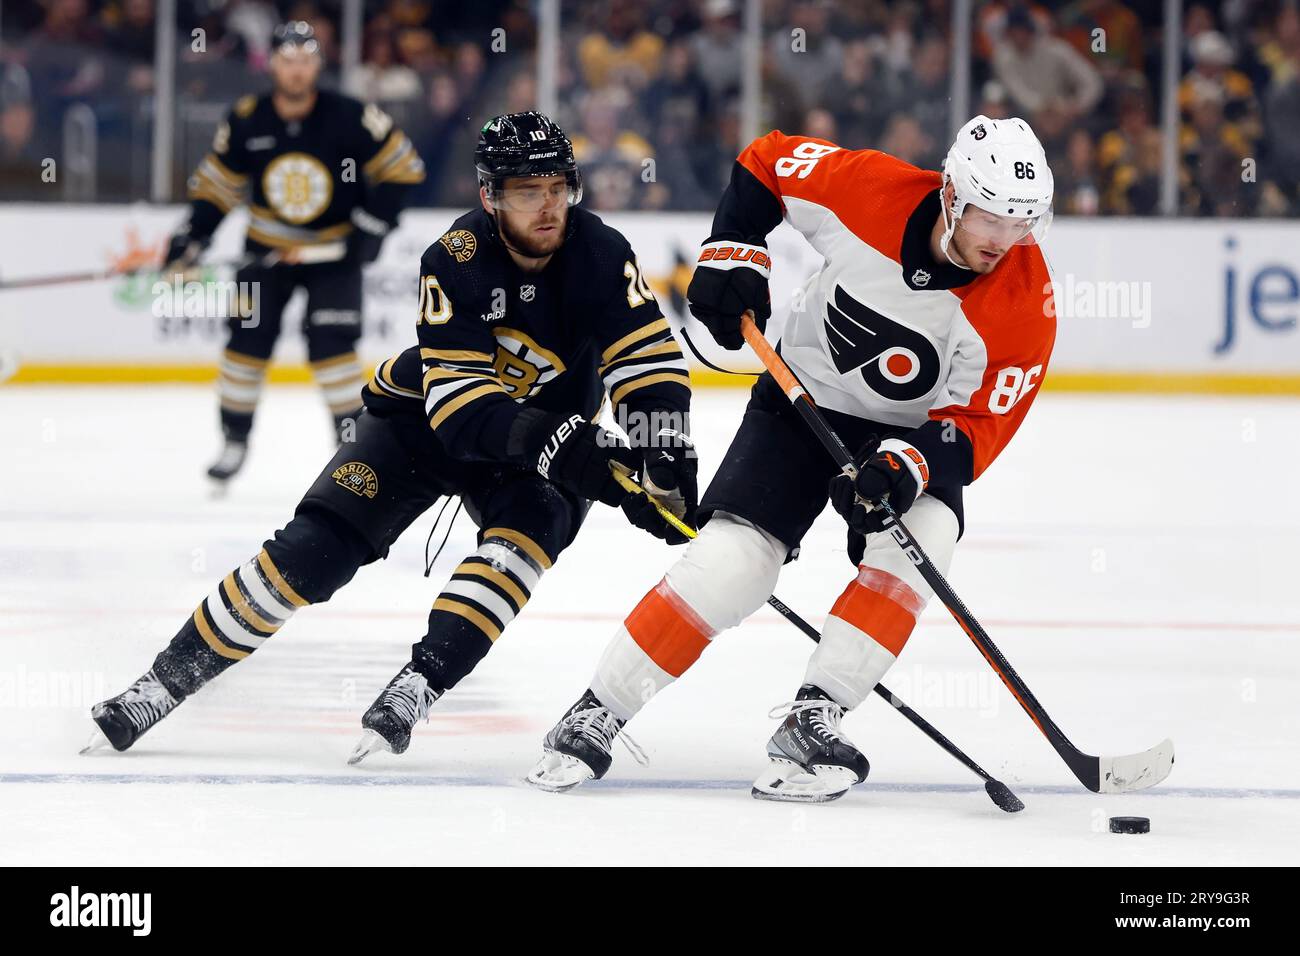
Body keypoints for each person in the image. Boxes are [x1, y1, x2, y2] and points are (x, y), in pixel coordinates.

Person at [85, 112, 697, 763]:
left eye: (556, 187)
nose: (547, 207)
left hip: (535, 446)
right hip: (423, 424)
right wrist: (571, 451)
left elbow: (647, 361)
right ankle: (162, 683)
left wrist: (664, 452)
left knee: (523, 543)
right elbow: (461, 412)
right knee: (312, 552)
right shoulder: (455, 258)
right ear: (490, 195)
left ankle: (418, 683)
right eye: (526, 190)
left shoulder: (601, 252)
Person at [529, 115, 1057, 803]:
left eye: (1021, 223)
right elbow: (768, 160)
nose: (1002, 239)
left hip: (911, 436)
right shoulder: (870, 188)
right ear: (954, 194)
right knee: (734, 561)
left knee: (923, 540)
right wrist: (733, 249)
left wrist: (904, 466)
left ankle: (815, 718)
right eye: (990, 215)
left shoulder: (1025, 301)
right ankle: (598, 710)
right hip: (800, 399)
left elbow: (980, 423)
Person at [162, 21, 425, 485]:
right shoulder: (247, 118)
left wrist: (370, 225)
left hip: (333, 254)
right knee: (245, 346)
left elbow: (404, 168)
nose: (297, 71)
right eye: (288, 61)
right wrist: (194, 234)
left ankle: (352, 446)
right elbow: (218, 186)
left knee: (333, 351)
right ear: (274, 65)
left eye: (306, 61)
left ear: (318, 65)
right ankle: (234, 439)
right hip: (265, 253)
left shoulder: (350, 115)